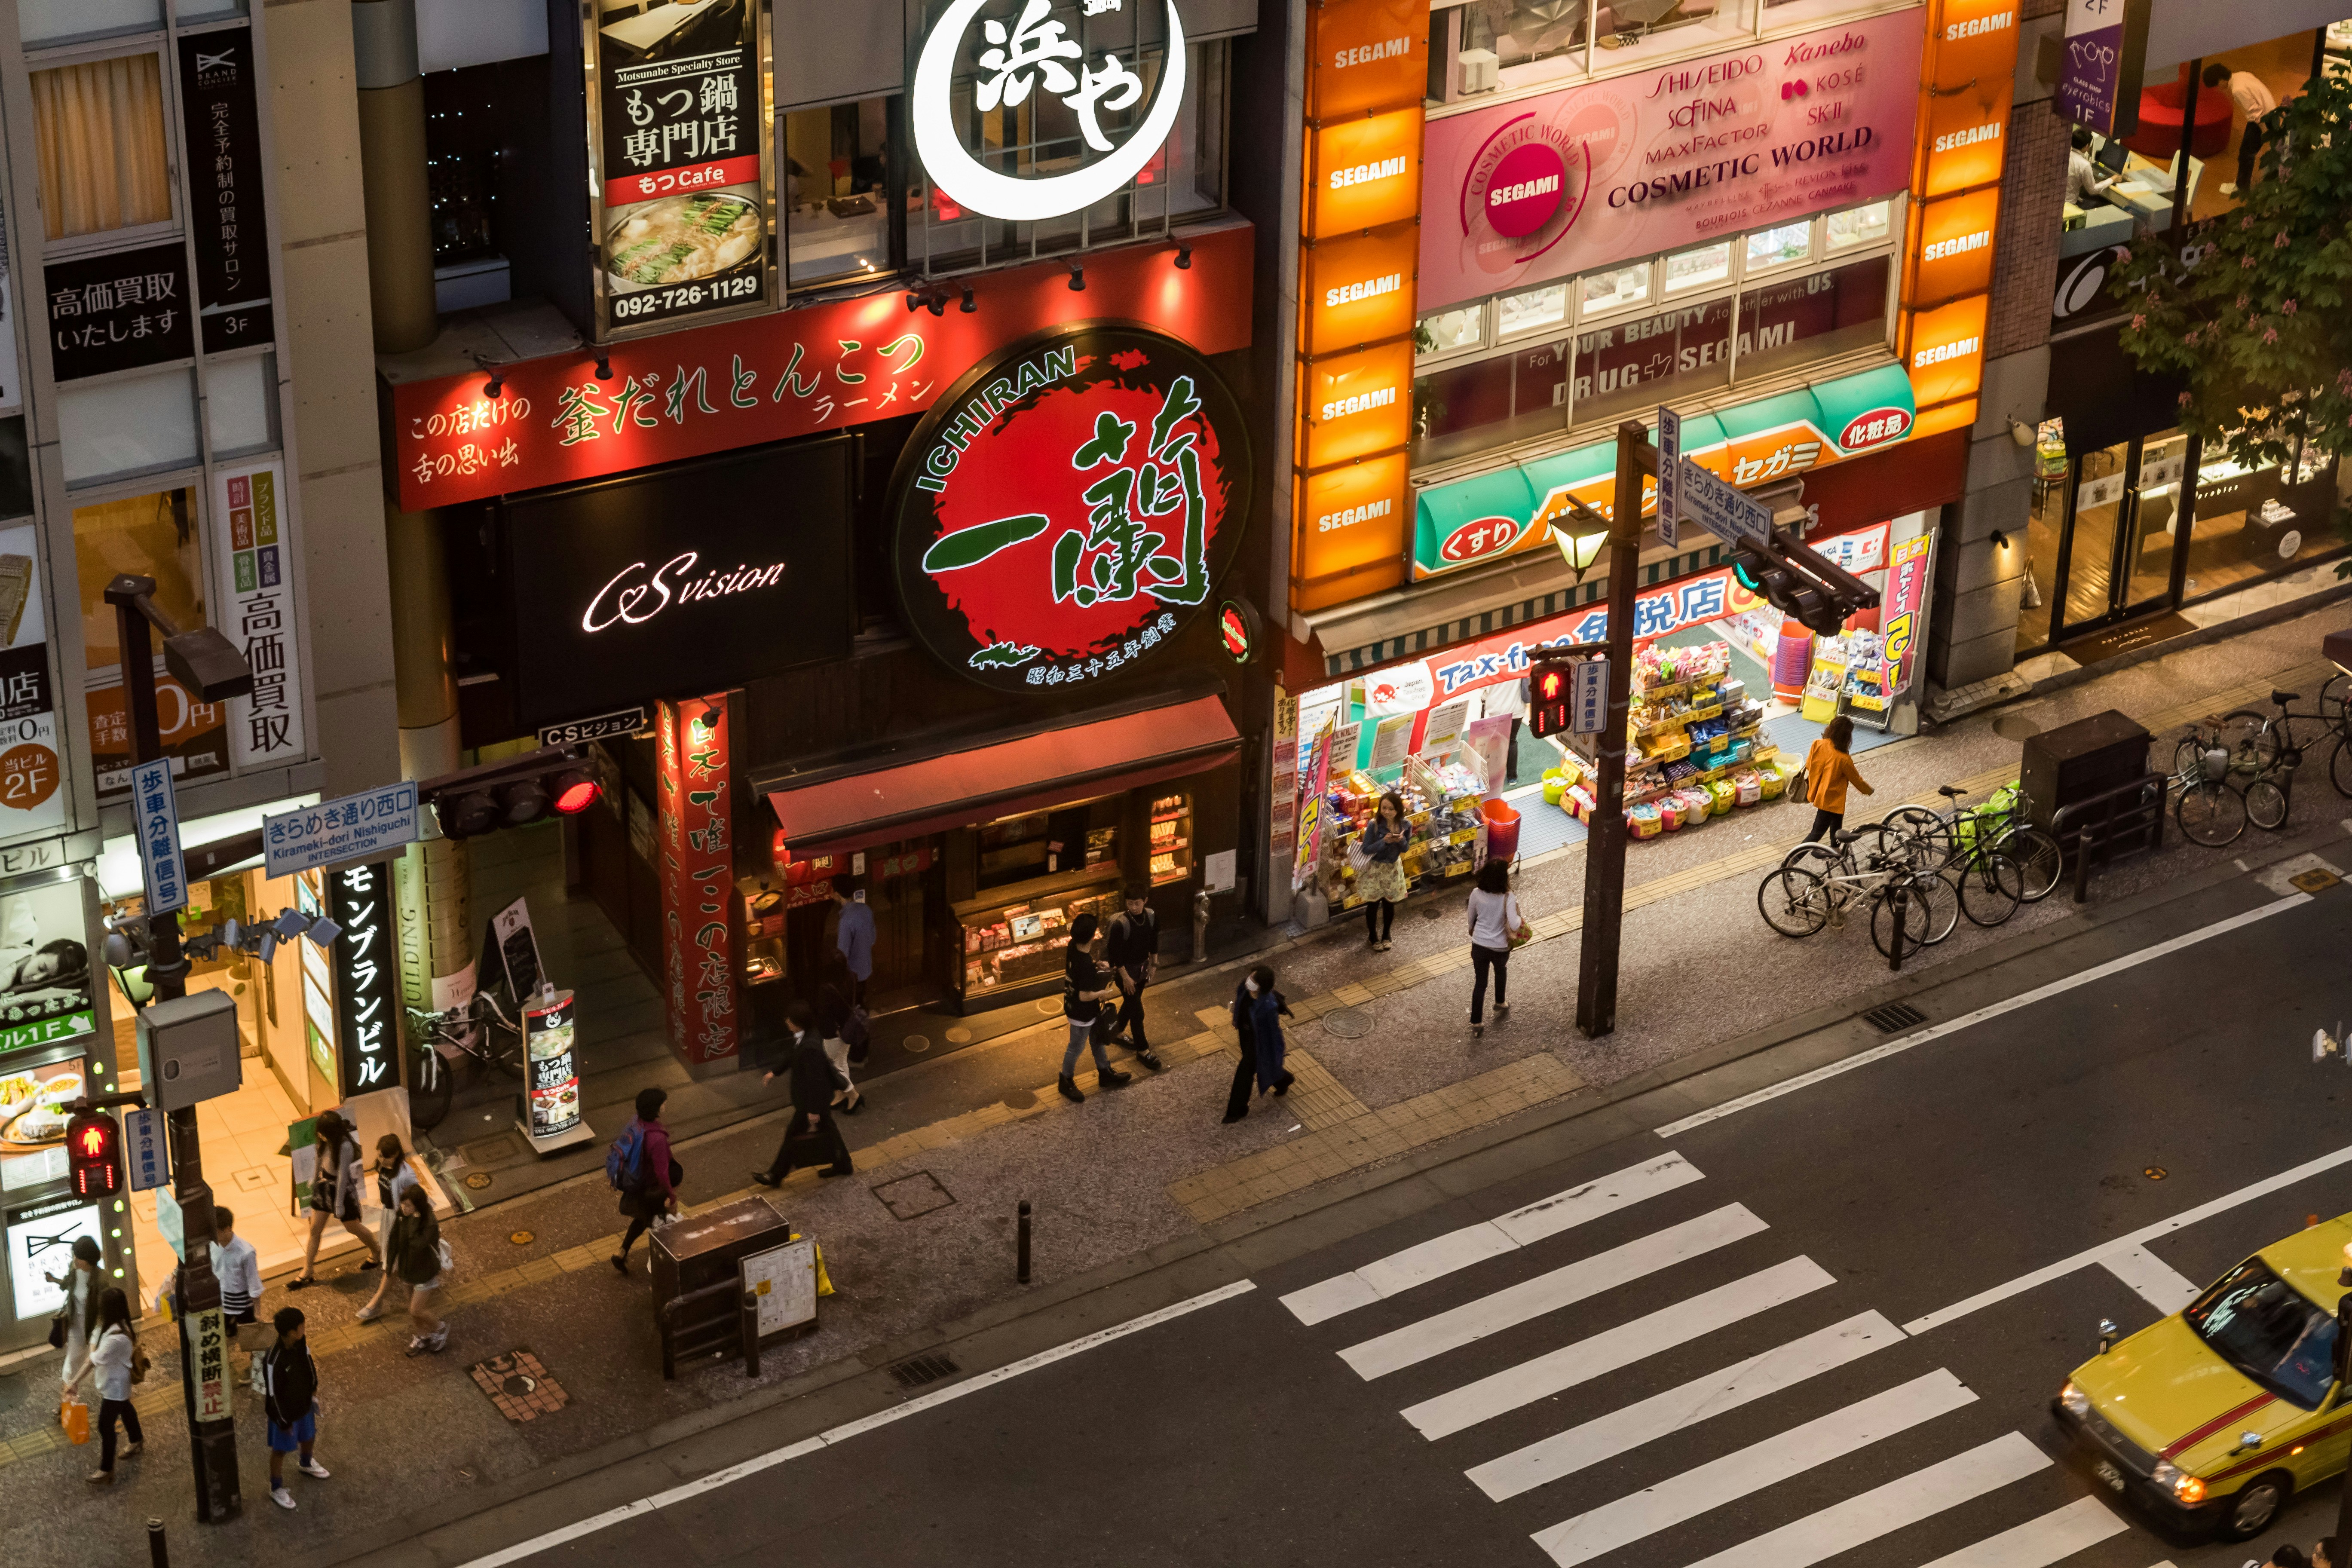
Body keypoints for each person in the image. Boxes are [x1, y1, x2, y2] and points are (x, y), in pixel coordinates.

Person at [753, 1001, 854, 1182]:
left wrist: (813, 1110)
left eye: (789, 1020)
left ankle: (776, 1175)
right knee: (830, 1132)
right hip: (813, 1101)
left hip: (811, 1101)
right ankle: (844, 1164)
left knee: (793, 1133)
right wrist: (775, 1071)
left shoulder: (810, 1048)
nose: (786, 1022)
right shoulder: (807, 1036)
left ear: (797, 1023)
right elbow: (793, 1055)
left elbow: (816, 1081)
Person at [289, 1110, 374, 1289]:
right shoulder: (324, 1141)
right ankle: (308, 1270)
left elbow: (343, 1176)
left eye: (323, 1133)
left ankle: (377, 1252)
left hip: (341, 1190)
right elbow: (318, 1159)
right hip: (324, 1185)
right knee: (315, 1230)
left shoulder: (345, 1147)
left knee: (354, 1227)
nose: (320, 1136)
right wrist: (314, 1178)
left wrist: (339, 1204)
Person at [1055, 914, 1129, 1103]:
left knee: (1097, 1040)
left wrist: (1097, 965)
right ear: (1091, 936)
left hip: (1077, 1006)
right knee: (1076, 1047)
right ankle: (1066, 1080)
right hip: (1082, 1012)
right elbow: (1084, 995)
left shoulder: (1074, 947)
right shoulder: (1084, 965)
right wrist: (1102, 994)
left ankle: (1105, 1071)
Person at [261, 1305, 329, 1509]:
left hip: (304, 1406)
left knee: (309, 1436)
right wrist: (283, 1422)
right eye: (302, 1326)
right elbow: (272, 1396)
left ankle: (306, 1463)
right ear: (291, 1332)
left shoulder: (301, 1343)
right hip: (284, 1416)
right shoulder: (273, 1360)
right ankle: (276, 1488)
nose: (304, 1329)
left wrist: (314, 1386)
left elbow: (309, 1363)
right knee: (280, 1451)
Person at [355, 1133, 423, 1322]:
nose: (381, 1159)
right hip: (389, 1217)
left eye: (386, 1156)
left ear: (396, 1154)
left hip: (400, 1221)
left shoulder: (406, 1176)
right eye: (380, 1155)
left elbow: (418, 1200)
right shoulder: (384, 1167)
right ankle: (415, 1308)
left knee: (392, 1264)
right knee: (397, 1264)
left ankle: (376, 1304)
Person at [611, 1086, 679, 1274]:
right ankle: (664, 1269)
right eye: (663, 1103)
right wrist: (671, 1197)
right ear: (656, 1109)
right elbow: (663, 1174)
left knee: (643, 1219)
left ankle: (621, 1253)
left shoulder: (636, 1125)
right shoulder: (657, 1139)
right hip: (652, 1189)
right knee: (664, 1226)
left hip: (637, 1184)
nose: (665, 1105)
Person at [1099, 883, 1164, 1071]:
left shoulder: (1151, 917)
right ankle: (1143, 1050)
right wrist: (1125, 978)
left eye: (1137, 903)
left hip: (1143, 970)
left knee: (1130, 1004)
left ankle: (1117, 1033)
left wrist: (1154, 964)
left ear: (1145, 901)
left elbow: (1154, 941)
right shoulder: (1122, 924)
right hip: (1125, 973)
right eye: (1130, 903)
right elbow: (1115, 955)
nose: (1133, 907)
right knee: (1138, 1011)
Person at [83, 1287, 141, 1485]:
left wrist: (73, 1383)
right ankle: (137, 1439)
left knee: (105, 1426)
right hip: (115, 1383)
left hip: (115, 1387)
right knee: (126, 1409)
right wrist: (94, 1348)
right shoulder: (117, 1324)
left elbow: (93, 1358)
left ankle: (106, 1469)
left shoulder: (116, 1337)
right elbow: (94, 1339)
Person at [1223, 966, 1294, 1122]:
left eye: (1254, 980)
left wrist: (1276, 1051)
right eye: (1252, 976)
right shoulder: (1245, 986)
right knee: (1260, 1066)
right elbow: (1240, 1002)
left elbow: (1273, 1034)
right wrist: (1236, 1019)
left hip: (1259, 1041)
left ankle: (1236, 1110)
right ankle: (1283, 1079)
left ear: (1263, 986)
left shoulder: (1268, 1007)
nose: (1250, 980)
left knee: (1245, 1071)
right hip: (1246, 1033)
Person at [386, 1186, 447, 1356]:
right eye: (403, 1205)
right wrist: (390, 1265)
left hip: (424, 1270)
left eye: (408, 1206)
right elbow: (394, 1238)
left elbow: (419, 1245)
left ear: (418, 1206)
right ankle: (422, 1336)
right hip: (407, 1269)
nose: (404, 1209)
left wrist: (414, 1220)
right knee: (412, 1308)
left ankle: (440, 1329)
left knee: (416, 1309)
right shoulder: (402, 1215)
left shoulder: (429, 1222)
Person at [1465, 859, 1522, 1038]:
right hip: (1500, 947)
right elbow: (1514, 924)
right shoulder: (1508, 897)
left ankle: (1476, 1022)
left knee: (1480, 983)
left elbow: (1470, 918)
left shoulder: (1476, 893)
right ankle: (1500, 1002)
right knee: (1501, 971)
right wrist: (1520, 917)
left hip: (1480, 945)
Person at [1800, 714, 1874, 845]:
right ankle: (1792, 860)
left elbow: (1809, 766)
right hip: (1831, 800)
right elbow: (1856, 780)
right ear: (1847, 736)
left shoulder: (1818, 744)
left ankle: (1836, 849)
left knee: (1837, 825)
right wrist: (1869, 790)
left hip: (1818, 792)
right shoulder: (1843, 759)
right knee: (1816, 834)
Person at [2208, 61, 2278, 194]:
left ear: (2221, 81)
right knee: (2250, 153)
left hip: (2263, 119)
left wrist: (2266, 133)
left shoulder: (2237, 90)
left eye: (2216, 86)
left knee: (2246, 154)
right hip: (2269, 112)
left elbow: (2256, 114)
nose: (2218, 89)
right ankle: (2249, 184)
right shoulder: (2242, 75)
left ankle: (2242, 187)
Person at [47, 1233, 100, 1407]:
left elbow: (103, 1314)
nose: (74, 1259)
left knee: (81, 1365)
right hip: (74, 1327)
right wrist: (53, 1280)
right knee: (72, 1364)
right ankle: (67, 1401)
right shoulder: (75, 1271)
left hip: (90, 1329)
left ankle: (68, 1401)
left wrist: (94, 1340)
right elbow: (67, 1284)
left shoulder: (101, 1281)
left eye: (77, 1256)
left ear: (86, 1260)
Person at [1358, 792, 1412, 951]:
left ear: (1398, 810)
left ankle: (1387, 935)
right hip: (1375, 869)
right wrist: (1384, 841)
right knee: (1373, 904)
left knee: (1390, 904)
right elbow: (1366, 850)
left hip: (1393, 869)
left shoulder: (1406, 825)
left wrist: (1401, 840)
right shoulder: (1373, 825)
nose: (1387, 812)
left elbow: (1406, 849)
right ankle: (1373, 937)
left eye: (1391, 809)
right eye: (1384, 808)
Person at [211, 1205, 263, 1363]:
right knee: (219, 1334)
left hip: (243, 1304)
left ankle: (255, 1367)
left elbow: (254, 1284)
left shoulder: (246, 1252)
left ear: (227, 1230)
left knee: (252, 1339)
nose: (213, 1235)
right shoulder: (213, 1245)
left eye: (216, 1231)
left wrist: (258, 1313)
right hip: (222, 1301)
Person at [814, 981, 865, 1114]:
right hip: (847, 1032)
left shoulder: (825, 998)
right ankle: (841, 1095)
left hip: (835, 1037)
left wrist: (831, 1031)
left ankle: (853, 1095)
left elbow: (825, 1020)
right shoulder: (842, 990)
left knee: (834, 1068)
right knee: (841, 1062)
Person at [832, 881, 875, 1007]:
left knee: (853, 1007)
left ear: (837, 894)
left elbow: (842, 953)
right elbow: (873, 938)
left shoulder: (846, 921)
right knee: (861, 1004)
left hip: (852, 974)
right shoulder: (866, 910)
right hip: (866, 968)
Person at [2066, 126, 2118, 208]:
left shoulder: (2064, 154)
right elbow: (2093, 190)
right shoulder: (2085, 165)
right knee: (2106, 203)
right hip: (2070, 204)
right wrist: (2112, 179)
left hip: (2059, 200)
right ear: (2087, 146)